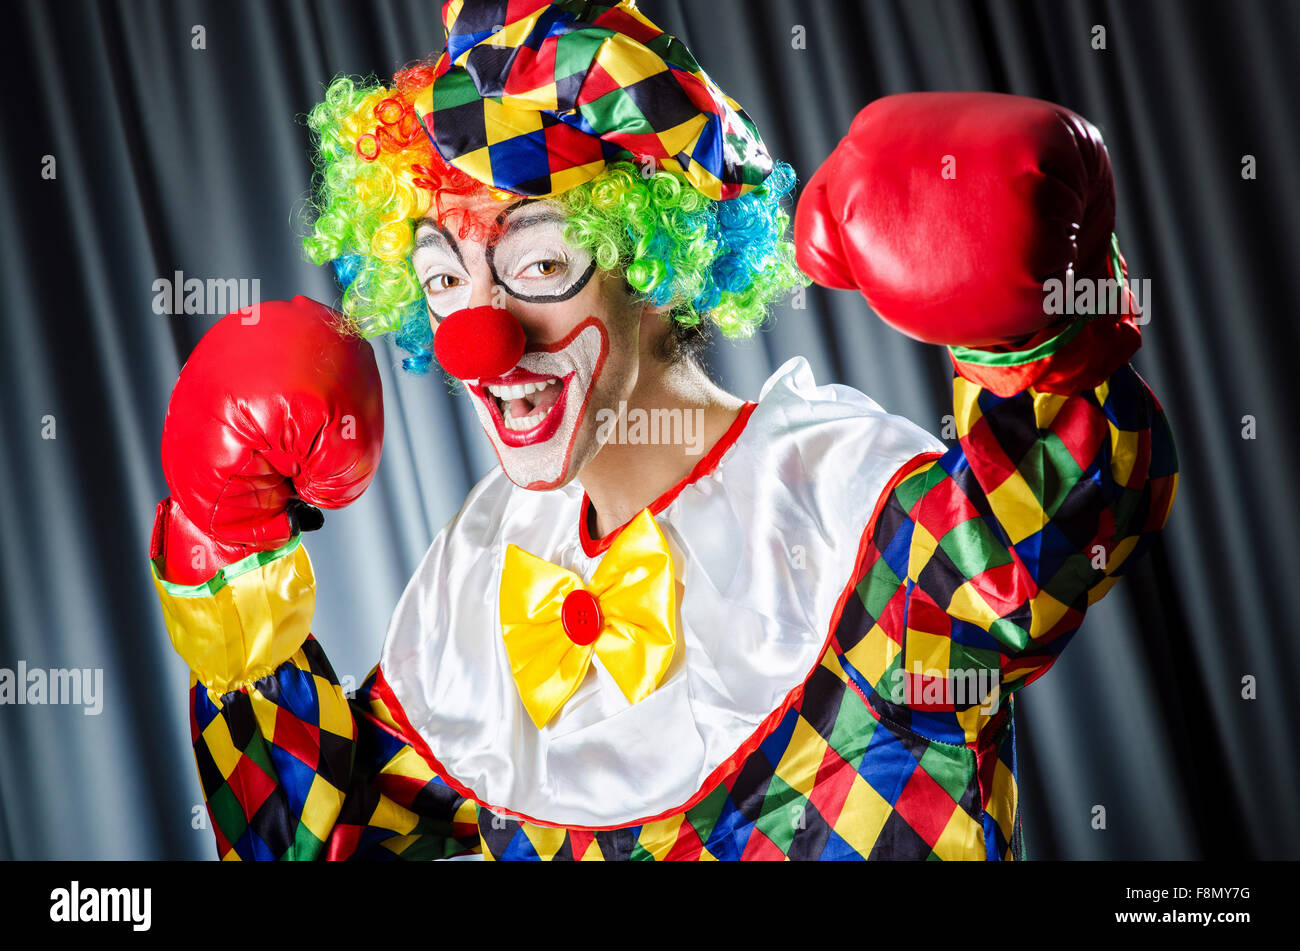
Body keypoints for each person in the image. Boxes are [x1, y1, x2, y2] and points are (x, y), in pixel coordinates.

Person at [149, 0, 1177, 860]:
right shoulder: (482, 566)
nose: (478, 340)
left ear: (659, 262)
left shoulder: (828, 501)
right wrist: (229, 553)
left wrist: (1037, 336)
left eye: (541, 267)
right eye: (443, 279)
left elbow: (1025, 559)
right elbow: (324, 844)